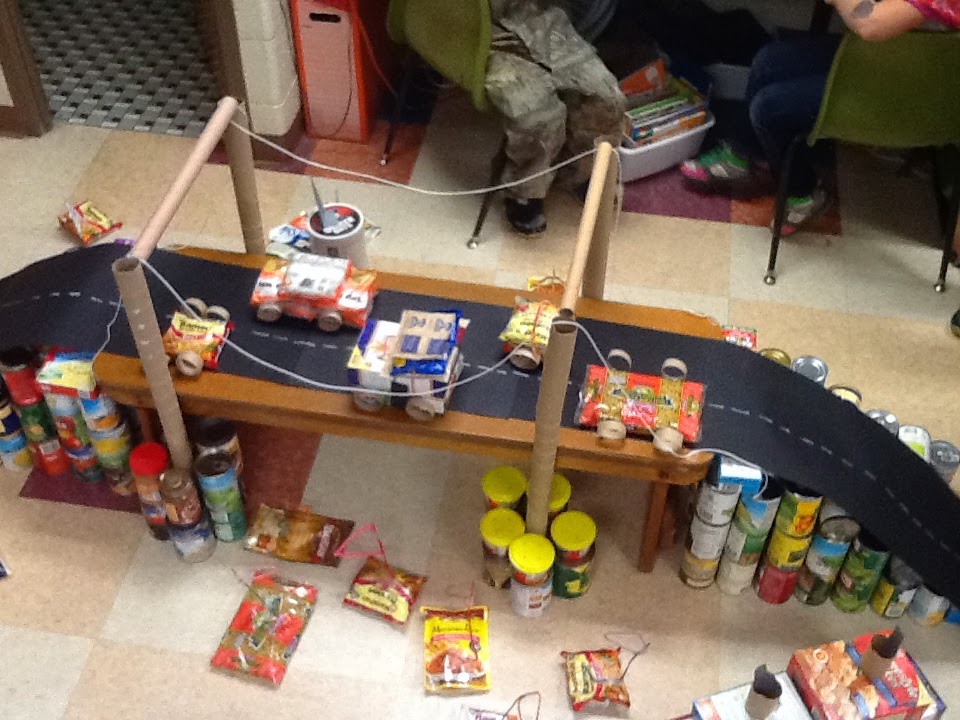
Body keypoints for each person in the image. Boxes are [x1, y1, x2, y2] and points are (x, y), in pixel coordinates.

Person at [680, 0, 960, 236]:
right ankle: (741, 153)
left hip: (913, 93)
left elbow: (871, 23)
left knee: (768, 108)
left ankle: (803, 193)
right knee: (769, 61)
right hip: (889, 59)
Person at [486, 1, 626, 234]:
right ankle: (525, 190)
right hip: (485, 34)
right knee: (537, 114)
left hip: (543, 21)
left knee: (607, 96)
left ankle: (581, 171)